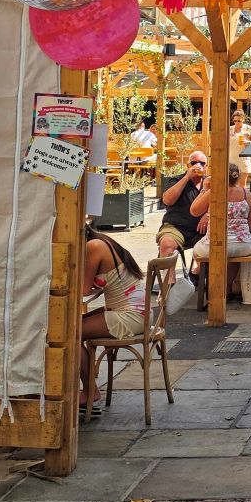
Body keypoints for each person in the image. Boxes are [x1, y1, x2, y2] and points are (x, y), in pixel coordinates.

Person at [80, 224, 146, 416]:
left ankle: (90, 391)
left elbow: (83, 290)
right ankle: (87, 388)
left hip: (130, 315)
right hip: (136, 312)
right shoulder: (103, 241)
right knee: (73, 328)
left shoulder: (94, 246)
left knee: (69, 334)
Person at [191, 162, 251, 299]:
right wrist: (242, 234)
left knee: (197, 251)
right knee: (232, 255)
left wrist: (205, 189)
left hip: (216, 245)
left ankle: (201, 274)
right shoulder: (247, 193)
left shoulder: (214, 192)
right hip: (244, 245)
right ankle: (227, 288)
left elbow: (194, 211)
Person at [156, 149, 209, 271]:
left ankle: (198, 275)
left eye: (202, 163)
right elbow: (167, 200)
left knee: (215, 246)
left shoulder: (209, 182)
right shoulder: (176, 180)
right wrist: (187, 177)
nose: (198, 165)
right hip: (176, 227)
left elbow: (220, 201)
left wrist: (208, 214)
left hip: (202, 230)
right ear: (188, 165)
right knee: (167, 244)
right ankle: (169, 285)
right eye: (194, 163)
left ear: (206, 166)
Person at [228, 110, 251, 182]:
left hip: (243, 159)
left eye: (239, 121)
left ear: (243, 119)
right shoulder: (229, 129)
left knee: (242, 184)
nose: (237, 123)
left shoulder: (248, 129)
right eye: (235, 121)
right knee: (231, 184)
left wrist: (247, 142)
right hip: (231, 159)